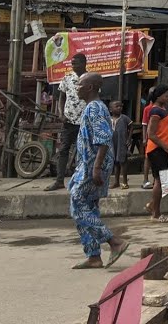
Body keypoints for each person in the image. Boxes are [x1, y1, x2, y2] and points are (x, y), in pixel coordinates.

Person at [66, 73, 131, 268]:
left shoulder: (94, 108)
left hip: (94, 165)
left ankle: (114, 242)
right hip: (87, 164)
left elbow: (103, 139)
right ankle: (93, 255)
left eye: (80, 84)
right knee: (89, 206)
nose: (76, 87)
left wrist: (95, 168)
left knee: (77, 203)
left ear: (90, 87)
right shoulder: (92, 107)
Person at [47, 53, 89, 191]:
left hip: (84, 121)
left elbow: (95, 98)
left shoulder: (90, 78)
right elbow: (61, 97)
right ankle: (59, 180)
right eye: (72, 63)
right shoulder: (67, 78)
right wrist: (61, 113)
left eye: (76, 63)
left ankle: (81, 180)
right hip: (69, 120)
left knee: (82, 150)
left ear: (84, 63)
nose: (73, 66)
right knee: (64, 149)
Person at [144, 84, 168, 222]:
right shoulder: (156, 111)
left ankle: (152, 205)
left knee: (164, 180)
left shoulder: (161, 109)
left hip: (162, 148)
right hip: (158, 149)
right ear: (159, 96)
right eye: (166, 95)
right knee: (159, 180)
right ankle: (156, 214)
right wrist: (167, 147)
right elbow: (151, 134)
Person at [109, 101, 131, 189]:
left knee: (123, 161)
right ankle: (116, 182)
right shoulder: (108, 119)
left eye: (120, 106)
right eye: (116, 106)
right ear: (110, 109)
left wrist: (129, 138)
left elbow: (131, 126)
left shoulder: (124, 118)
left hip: (122, 142)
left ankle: (125, 182)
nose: (119, 108)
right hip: (112, 143)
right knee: (115, 162)